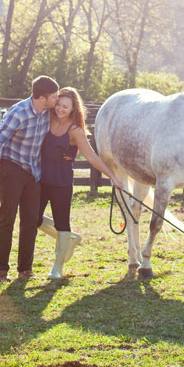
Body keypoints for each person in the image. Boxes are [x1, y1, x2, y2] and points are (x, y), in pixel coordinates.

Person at [0, 76, 59, 281]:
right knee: (8, 219)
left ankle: (25, 269)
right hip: (10, 169)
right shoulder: (19, 113)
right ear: (41, 97)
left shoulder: (48, 113)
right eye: (54, 97)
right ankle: (1, 270)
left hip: (33, 173)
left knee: (30, 221)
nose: (57, 100)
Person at [38, 87, 123, 279]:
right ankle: (71, 239)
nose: (60, 109)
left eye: (65, 106)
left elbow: (92, 156)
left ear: (73, 108)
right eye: (58, 104)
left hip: (61, 181)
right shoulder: (47, 119)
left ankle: (58, 266)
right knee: (33, 218)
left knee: (62, 223)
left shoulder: (75, 130)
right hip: (41, 178)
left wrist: (112, 177)